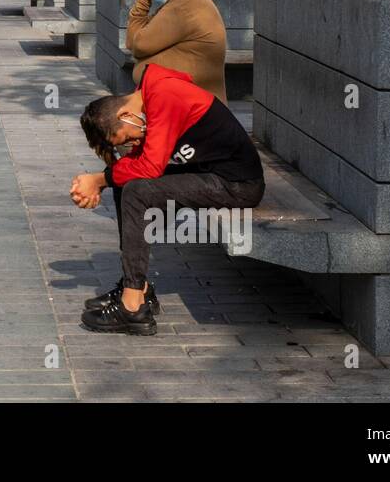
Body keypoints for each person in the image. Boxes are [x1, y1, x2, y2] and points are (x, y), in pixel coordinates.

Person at [72, 64, 264, 335]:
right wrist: (103, 180)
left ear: (125, 114)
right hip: (208, 171)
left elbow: (149, 168)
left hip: (236, 184)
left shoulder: (163, 95)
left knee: (137, 191)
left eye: (126, 137)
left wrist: (99, 180)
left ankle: (132, 308)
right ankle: (138, 288)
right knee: (125, 181)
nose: (134, 140)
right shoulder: (150, 95)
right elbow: (138, 163)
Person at [125, 0, 228, 104]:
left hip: (191, 110)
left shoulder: (185, 6)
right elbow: (133, 42)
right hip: (183, 105)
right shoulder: (185, 0)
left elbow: (138, 46)